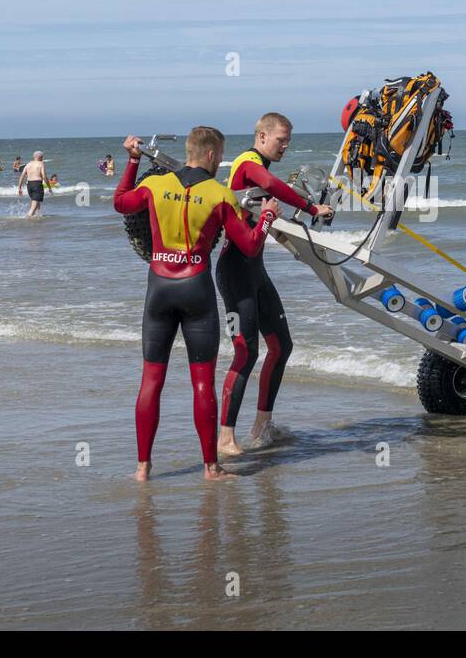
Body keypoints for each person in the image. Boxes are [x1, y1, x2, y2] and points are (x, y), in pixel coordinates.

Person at [113, 127, 280, 482]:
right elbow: (249, 246)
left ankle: (142, 469)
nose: (220, 162)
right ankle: (210, 468)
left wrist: (131, 161)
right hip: (196, 291)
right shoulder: (220, 195)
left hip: (158, 288)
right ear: (210, 155)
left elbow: (121, 202)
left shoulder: (156, 186)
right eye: (219, 156)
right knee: (201, 382)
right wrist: (266, 217)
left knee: (151, 381)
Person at [217, 112, 333, 455]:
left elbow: (265, 208)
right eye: (281, 140)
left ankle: (262, 427)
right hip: (234, 271)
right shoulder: (247, 163)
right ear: (262, 136)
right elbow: (270, 185)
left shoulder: (260, 168)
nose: (285, 146)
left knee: (281, 346)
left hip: (255, 269)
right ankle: (225, 438)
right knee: (246, 352)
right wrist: (311, 208)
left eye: (288, 141)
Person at [17, 151, 49, 216]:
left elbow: (22, 176)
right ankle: (28, 218)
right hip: (37, 184)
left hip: (29, 185)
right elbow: (44, 176)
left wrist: (19, 188)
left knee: (36, 202)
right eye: (42, 157)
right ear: (41, 157)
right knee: (33, 207)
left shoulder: (28, 164)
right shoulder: (41, 164)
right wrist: (49, 187)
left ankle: (37, 216)